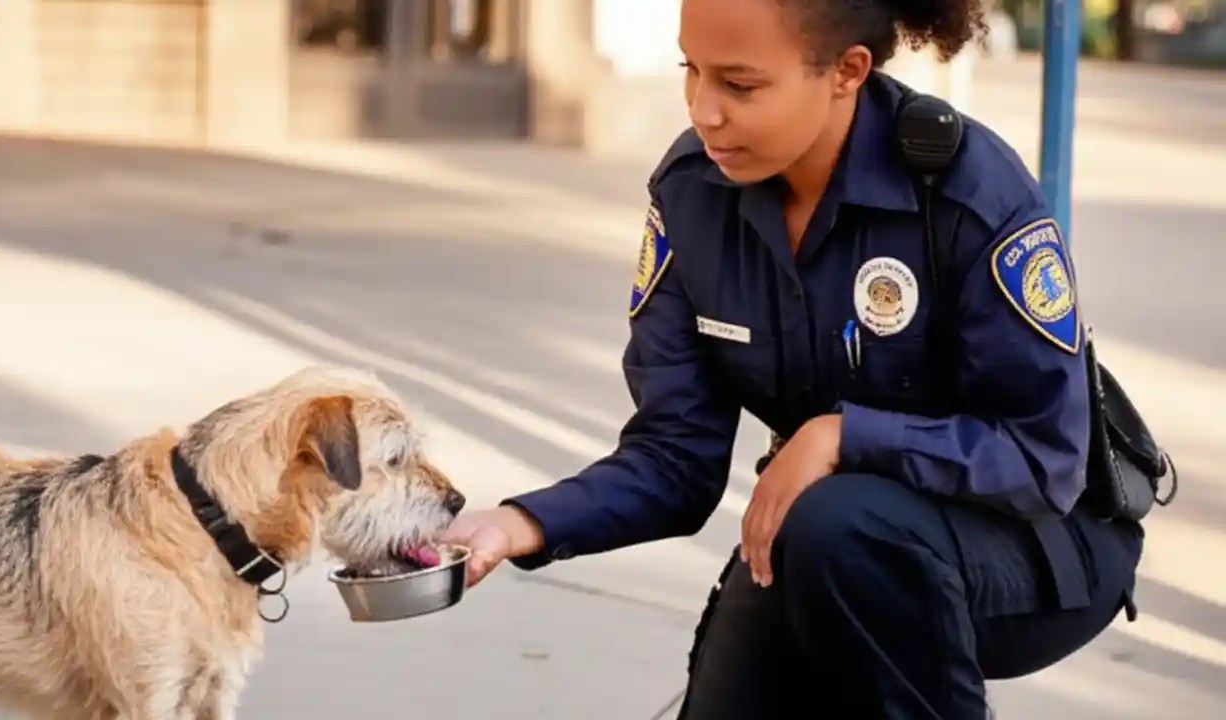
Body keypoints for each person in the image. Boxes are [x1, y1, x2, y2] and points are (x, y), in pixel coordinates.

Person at [442, 0, 1145, 716]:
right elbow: (676, 456)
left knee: (839, 526)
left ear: (847, 71)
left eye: (740, 86)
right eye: (692, 71)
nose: (703, 111)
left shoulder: (965, 191)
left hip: (1035, 547)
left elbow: (1043, 458)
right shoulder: (692, 196)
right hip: (831, 541)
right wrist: (518, 524)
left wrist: (843, 436)